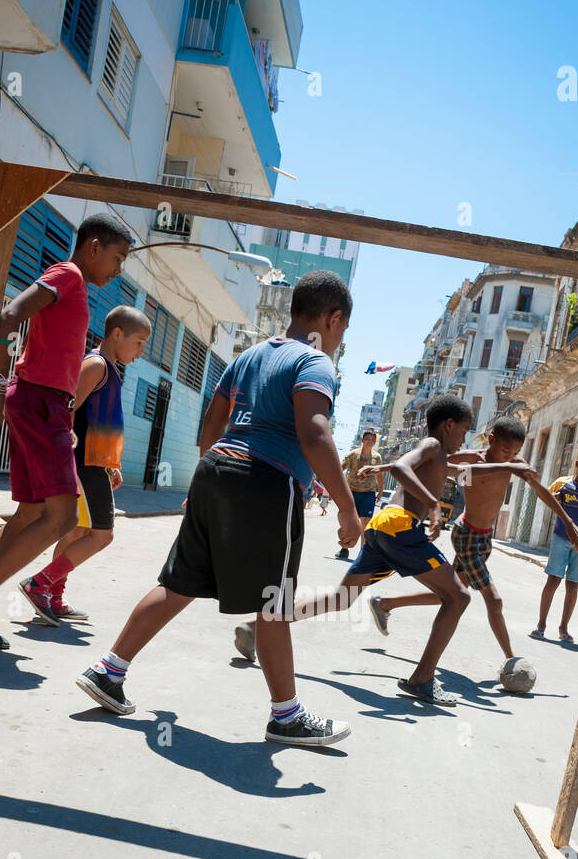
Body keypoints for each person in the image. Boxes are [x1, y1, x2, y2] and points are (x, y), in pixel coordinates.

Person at [76, 270, 361, 747]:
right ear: (333, 319)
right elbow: (314, 433)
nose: (339, 341)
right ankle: (286, 717)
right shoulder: (315, 362)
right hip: (267, 482)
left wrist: (209, 479)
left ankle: (108, 672)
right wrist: (348, 508)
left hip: (218, 468)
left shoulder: (250, 356)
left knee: (177, 584)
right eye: (343, 331)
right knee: (274, 604)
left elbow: (214, 419)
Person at [0, 214, 134, 653]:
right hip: (39, 401)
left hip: (42, 403)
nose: (119, 268)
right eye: (117, 257)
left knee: (31, 514)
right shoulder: (68, 274)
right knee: (64, 517)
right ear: (93, 247)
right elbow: (10, 315)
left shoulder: (75, 285)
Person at [238, 393, 476, 705]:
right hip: (401, 527)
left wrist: (382, 468)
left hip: (383, 527)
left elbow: (436, 464)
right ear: (448, 425)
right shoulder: (432, 445)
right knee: (458, 596)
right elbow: (404, 467)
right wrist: (431, 504)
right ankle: (422, 679)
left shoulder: (439, 454)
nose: (464, 438)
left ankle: (257, 626)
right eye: (463, 431)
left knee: (342, 598)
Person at [368, 414, 578, 665]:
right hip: (467, 535)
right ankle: (511, 660)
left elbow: (541, 491)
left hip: (484, 539)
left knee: (452, 592)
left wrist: (568, 521)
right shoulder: (472, 458)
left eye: (515, 451)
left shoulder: (515, 463)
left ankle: (385, 603)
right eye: (505, 449)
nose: (510, 456)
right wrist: (384, 467)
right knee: (494, 599)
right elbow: (433, 463)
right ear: (491, 440)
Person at [19, 305, 151, 623]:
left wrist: (110, 465)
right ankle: (40, 584)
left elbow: (95, 421)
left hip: (94, 463)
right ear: (117, 334)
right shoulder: (96, 364)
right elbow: (67, 406)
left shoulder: (108, 368)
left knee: (78, 531)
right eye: (139, 342)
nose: (140, 351)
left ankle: (53, 595)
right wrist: (70, 450)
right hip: (82, 463)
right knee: (101, 534)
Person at [531, 446, 578, 643]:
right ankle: (541, 624)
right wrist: (555, 500)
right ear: (576, 464)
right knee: (553, 581)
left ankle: (564, 627)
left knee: (573, 586)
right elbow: (546, 498)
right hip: (560, 538)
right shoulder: (562, 483)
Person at [336, 428, 383, 558]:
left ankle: (363, 553)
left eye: (372, 440)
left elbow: (379, 476)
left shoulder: (377, 457)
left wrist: (380, 492)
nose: (370, 442)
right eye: (367, 439)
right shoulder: (353, 454)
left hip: (368, 492)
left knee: (366, 522)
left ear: (375, 443)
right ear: (362, 440)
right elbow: (341, 468)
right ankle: (344, 548)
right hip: (351, 491)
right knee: (349, 522)